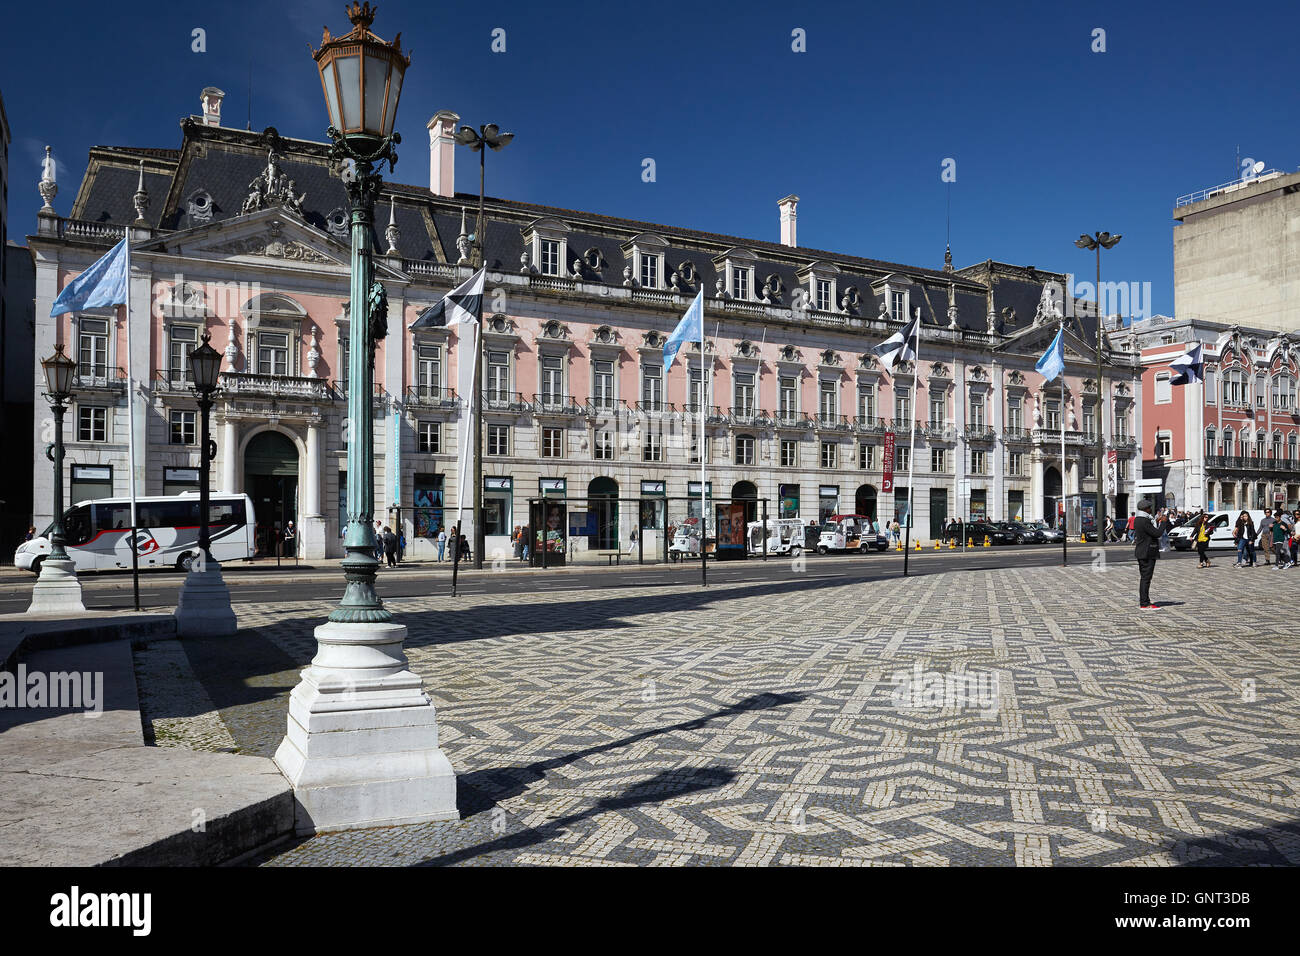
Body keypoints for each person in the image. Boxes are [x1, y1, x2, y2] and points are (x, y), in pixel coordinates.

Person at [1133, 499, 1161, 610]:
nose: (1151, 510)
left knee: (1144, 578)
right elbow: (1157, 533)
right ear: (1146, 509)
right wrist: (1163, 522)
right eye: (1149, 508)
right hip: (1147, 552)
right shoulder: (1144, 521)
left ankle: (1144, 601)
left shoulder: (1138, 519)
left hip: (1141, 551)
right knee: (1146, 578)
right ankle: (1145, 603)